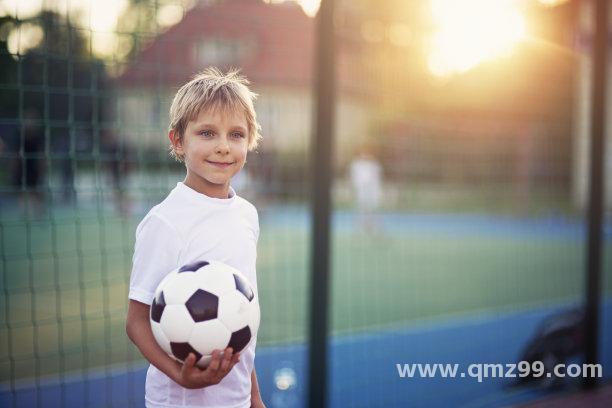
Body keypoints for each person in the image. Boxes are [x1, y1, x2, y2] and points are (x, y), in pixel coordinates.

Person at [126, 67, 265, 408]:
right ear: (177, 140)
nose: (223, 147)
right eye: (206, 133)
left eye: (236, 134)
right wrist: (179, 373)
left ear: (250, 140)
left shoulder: (246, 214)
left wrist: (254, 398)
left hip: (234, 400)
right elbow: (136, 322)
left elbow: (237, 322)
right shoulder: (165, 222)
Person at [349, 146, 383, 233]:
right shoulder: (356, 164)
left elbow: (377, 178)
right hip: (361, 190)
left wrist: (377, 190)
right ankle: (360, 226)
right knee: (361, 208)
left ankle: (373, 226)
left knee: (372, 208)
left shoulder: (374, 165)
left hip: (372, 191)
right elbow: (354, 178)